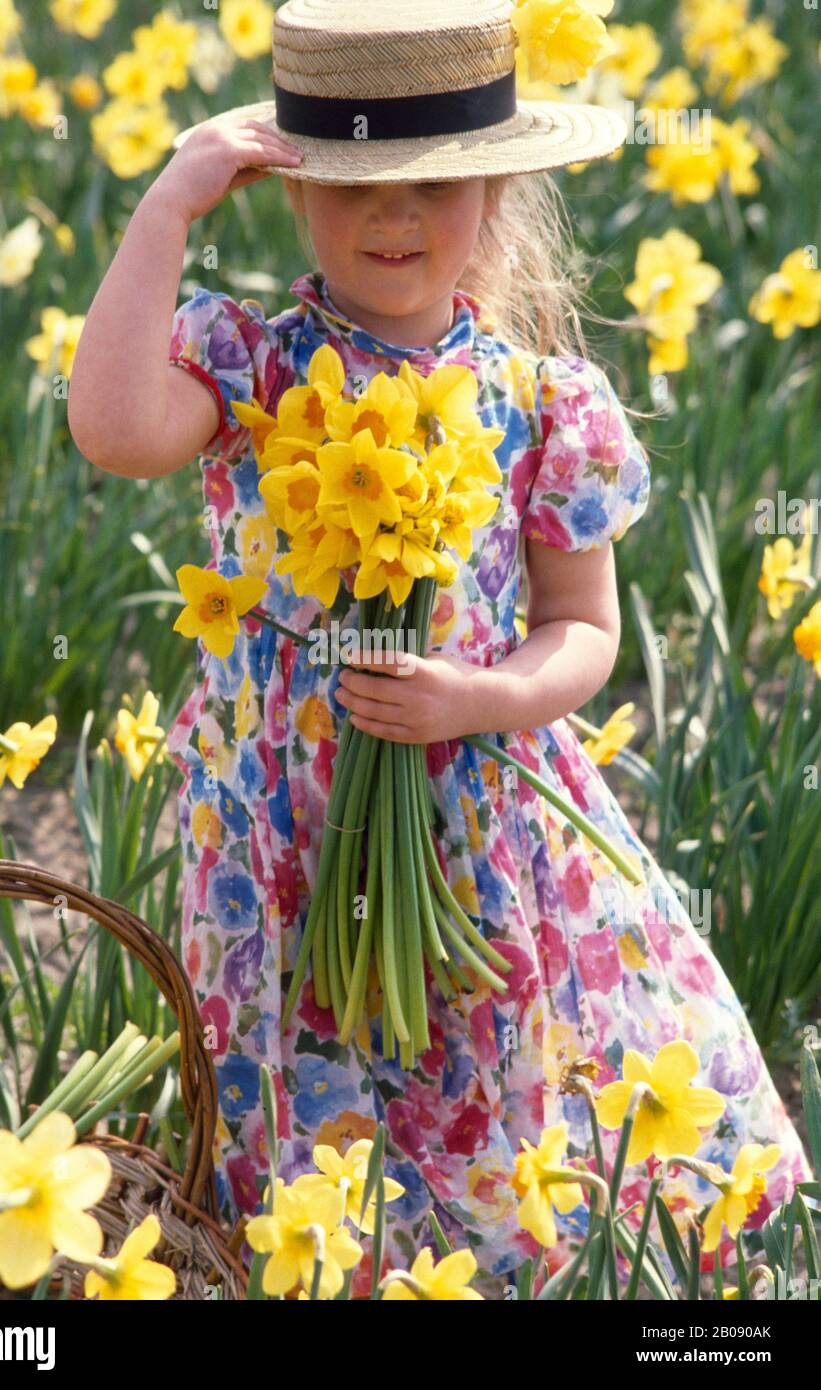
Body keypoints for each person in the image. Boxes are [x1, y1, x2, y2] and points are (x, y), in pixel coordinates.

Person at [68, 0, 813, 1299]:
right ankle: (327, 1257)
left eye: (434, 180)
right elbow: (116, 429)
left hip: (463, 803)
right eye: (354, 185)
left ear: (497, 184)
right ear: (292, 191)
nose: (391, 215)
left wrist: (479, 696)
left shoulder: (540, 401)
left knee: (471, 1053)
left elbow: (584, 633)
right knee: (293, 1051)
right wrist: (166, 210)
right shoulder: (253, 364)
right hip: (276, 818)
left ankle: (475, 1271)